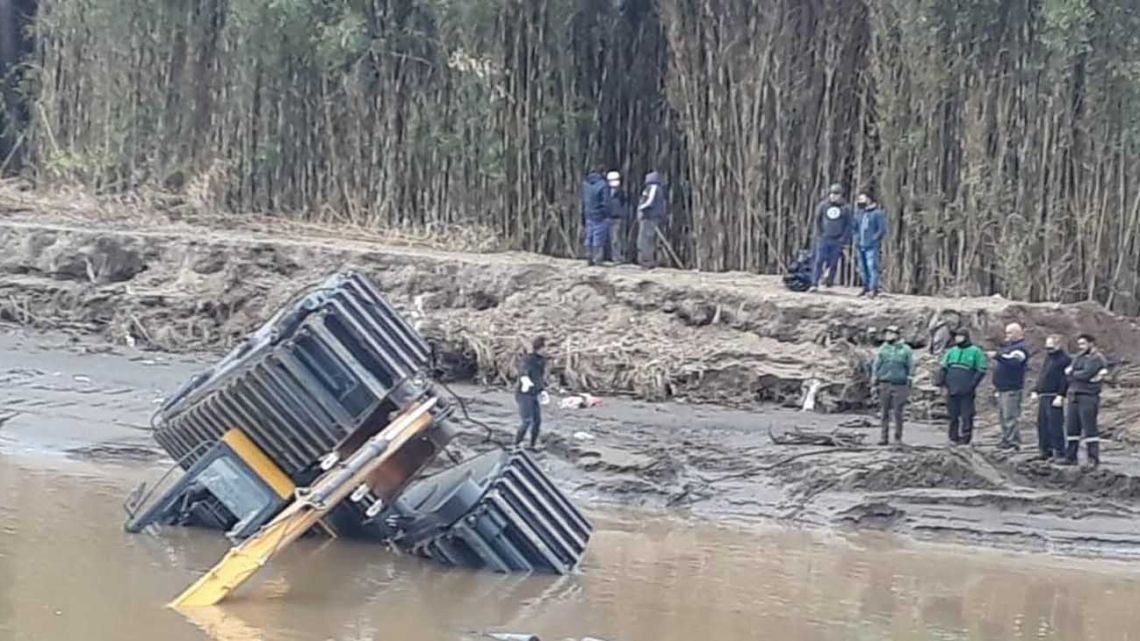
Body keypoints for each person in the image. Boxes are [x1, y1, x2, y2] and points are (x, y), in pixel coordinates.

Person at [1061, 333, 1109, 467]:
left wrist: (1074, 373)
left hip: (1088, 396)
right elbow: (1069, 374)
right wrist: (1075, 374)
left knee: (1089, 428)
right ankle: (1071, 457)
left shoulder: (1096, 358)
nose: (1080, 347)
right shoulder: (1078, 357)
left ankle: (1093, 458)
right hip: (1074, 395)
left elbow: (1086, 374)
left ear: (1091, 343)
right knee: (1072, 427)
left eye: (1083, 344)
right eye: (1079, 344)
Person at [940, 328, 987, 445]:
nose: (957, 338)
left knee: (967, 415)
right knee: (952, 415)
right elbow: (943, 368)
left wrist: (972, 385)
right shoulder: (951, 351)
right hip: (952, 388)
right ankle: (953, 437)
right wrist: (942, 383)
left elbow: (981, 369)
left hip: (967, 388)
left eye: (960, 336)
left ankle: (965, 437)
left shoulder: (975, 351)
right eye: (956, 336)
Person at [1031, 334, 1070, 462]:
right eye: (1047, 347)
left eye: (1051, 347)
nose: (1048, 349)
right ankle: (1045, 451)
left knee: (1055, 425)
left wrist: (1061, 395)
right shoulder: (1048, 358)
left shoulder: (1064, 360)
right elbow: (1042, 375)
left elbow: (1065, 379)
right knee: (1042, 425)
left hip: (1054, 395)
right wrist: (1036, 389)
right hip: (1044, 395)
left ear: (1058, 345)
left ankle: (1059, 451)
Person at [872, 325, 912, 445]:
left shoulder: (905, 350)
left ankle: (897, 438)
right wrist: (874, 379)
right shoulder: (883, 349)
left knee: (898, 413)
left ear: (897, 335)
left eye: (891, 333)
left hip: (900, 384)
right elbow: (876, 365)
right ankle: (884, 437)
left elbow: (910, 366)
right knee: (884, 412)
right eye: (887, 333)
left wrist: (909, 380)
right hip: (884, 383)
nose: (888, 336)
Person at [992, 322, 1030, 451]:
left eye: (1009, 333)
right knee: (1003, 416)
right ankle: (1006, 439)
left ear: (1018, 333)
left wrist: (998, 357)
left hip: (1012, 388)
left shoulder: (1020, 348)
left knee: (1010, 416)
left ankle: (1013, 442)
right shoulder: (1009, 348)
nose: (1006, 335)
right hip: (1003, 387)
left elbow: (1014, 363)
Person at [809, 183, 853, 292]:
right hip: (824, 238)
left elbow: (848, 225)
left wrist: (844, 239)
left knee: (833, 262)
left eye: (836, 194)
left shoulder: (846, 208)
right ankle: (814, 283)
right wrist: (819, 234)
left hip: (837, 239)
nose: (833, 196)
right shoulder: (823, 206)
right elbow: (817, 220)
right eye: (832, 193)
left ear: (840, 195)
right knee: (819, 260)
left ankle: (829, 281)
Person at [515, 336, 550, 450]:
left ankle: (532, 444)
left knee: (537, 421)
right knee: (527, 420)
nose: (548, 349)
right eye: (546, 346)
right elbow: (523, 372)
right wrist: (525, 380)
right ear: (541, 347)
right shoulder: (528, 359)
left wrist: (542, 390)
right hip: (524, 394)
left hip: (534, 393)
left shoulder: (542, 361)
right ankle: (516, 444)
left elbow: (539, 378)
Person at [853, 192, 887, 297]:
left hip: (871, 245)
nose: (860, 201)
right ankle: (865, 287)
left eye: (863, 199)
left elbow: (881, 229)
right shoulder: (859, 213)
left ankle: (873, 288)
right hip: (860, 244)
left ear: (869, 199)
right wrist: (856, 238)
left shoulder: (877, 213)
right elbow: (855, 227)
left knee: (872, 266)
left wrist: (873, 239)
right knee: (862, 268)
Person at [581, 171, 612, 266]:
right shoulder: (603, 185)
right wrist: (606, 214)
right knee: (598, 236)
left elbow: (583, 201)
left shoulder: (585, 184)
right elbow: (605, 202)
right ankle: (597, 259)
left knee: (589, 235)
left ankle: (588, 257)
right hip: (599, 216)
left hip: (588, 214)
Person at [637, 171, 667, 269]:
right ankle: (646, 260)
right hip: (649, 217)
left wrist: (641, 208)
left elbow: (649, 202)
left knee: (646, 239)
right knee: (646, 239)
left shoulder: (653, 188)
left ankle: (647, 261)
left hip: (651, 217)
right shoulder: (652, 188)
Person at [605, 171, 630, 263]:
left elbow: (624, 205)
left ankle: (617, 257)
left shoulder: (621, 193)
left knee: (616, 239)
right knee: (608, 238)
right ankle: (609, 256)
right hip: (607, 217)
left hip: (616, 218)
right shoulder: (606, 191)